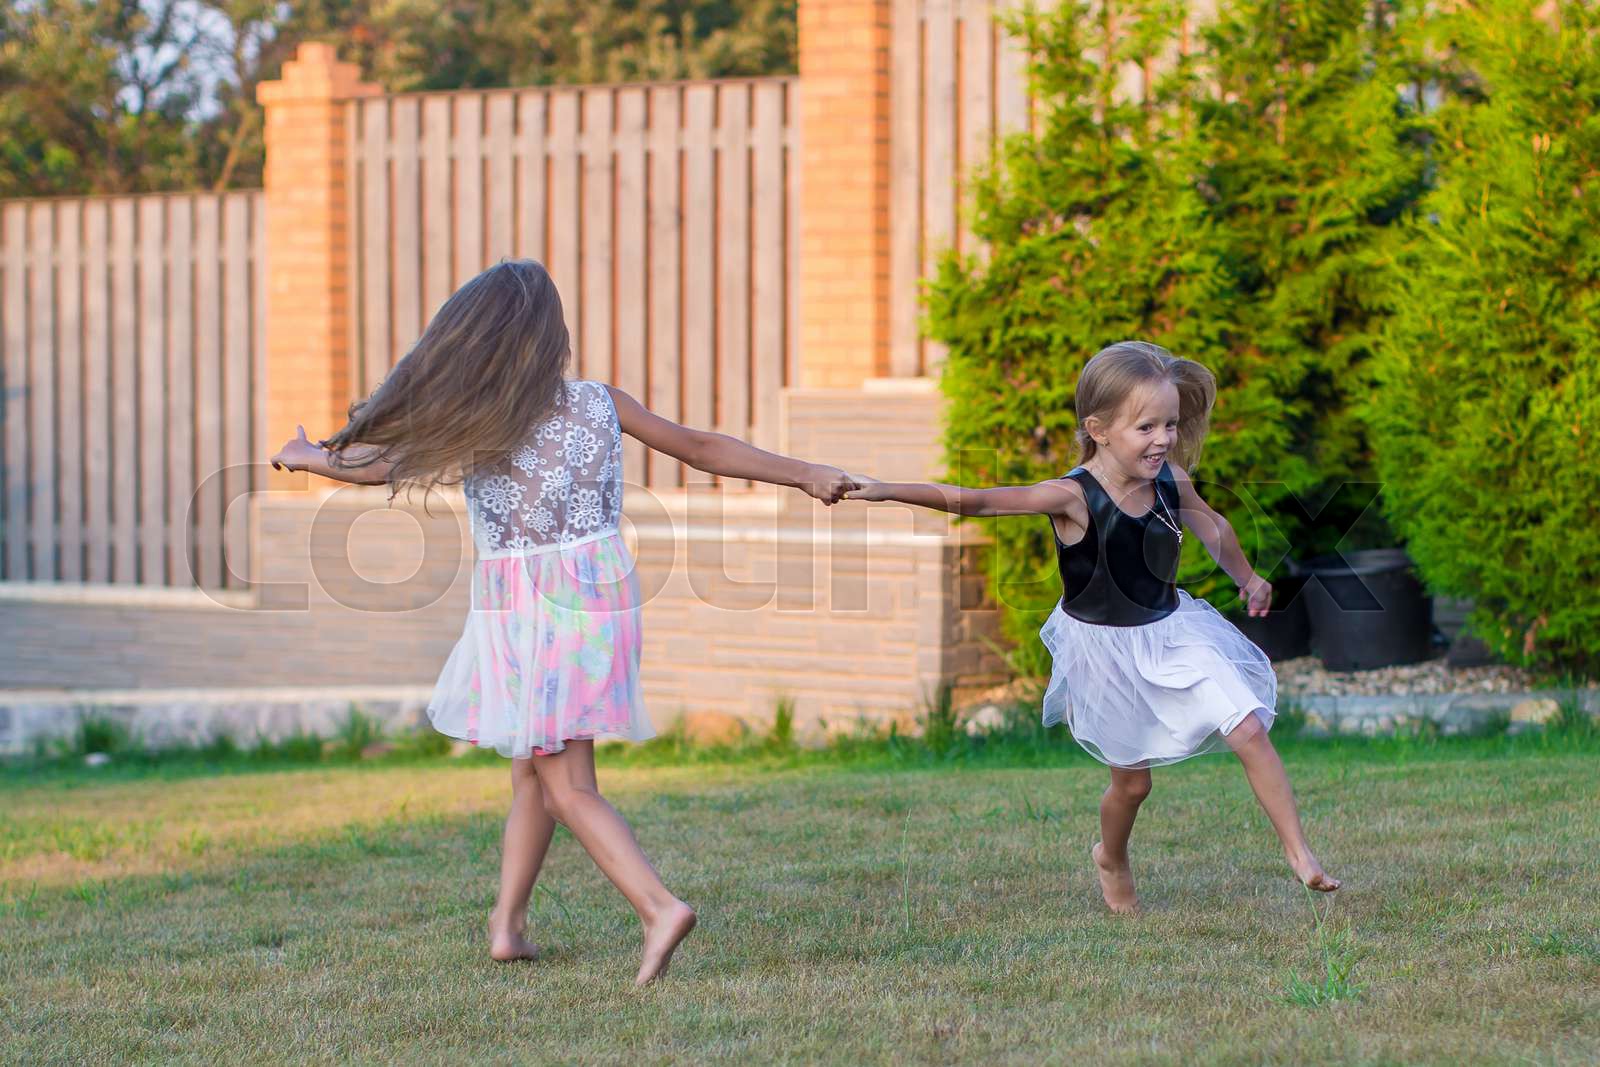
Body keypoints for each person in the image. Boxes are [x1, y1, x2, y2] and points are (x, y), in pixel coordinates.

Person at [271, 259, 856, 979]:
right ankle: (507, 926)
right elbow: (702, 446)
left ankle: (658, 906)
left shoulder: (482, 422)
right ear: (551, 336)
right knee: (532, 771)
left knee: (566, 782)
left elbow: (379, 465)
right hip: (598, 596)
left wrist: (307, 457)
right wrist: (803, 473)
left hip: (530, 609)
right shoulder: (600, 401)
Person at [844, 341, 1339, 913]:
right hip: (1102, 650)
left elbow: (1214, 528)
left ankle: (1300, 855)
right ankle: (1111, 856)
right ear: (1099, 430)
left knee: (1248, 729)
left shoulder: (1170, 481)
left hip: (1173, 631)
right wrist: (884, 489)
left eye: (1171, 423)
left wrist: (1249, 578)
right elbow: (974, 499)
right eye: (1146, 426)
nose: (1164, 439)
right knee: (1133, 785)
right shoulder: (1073, 496)